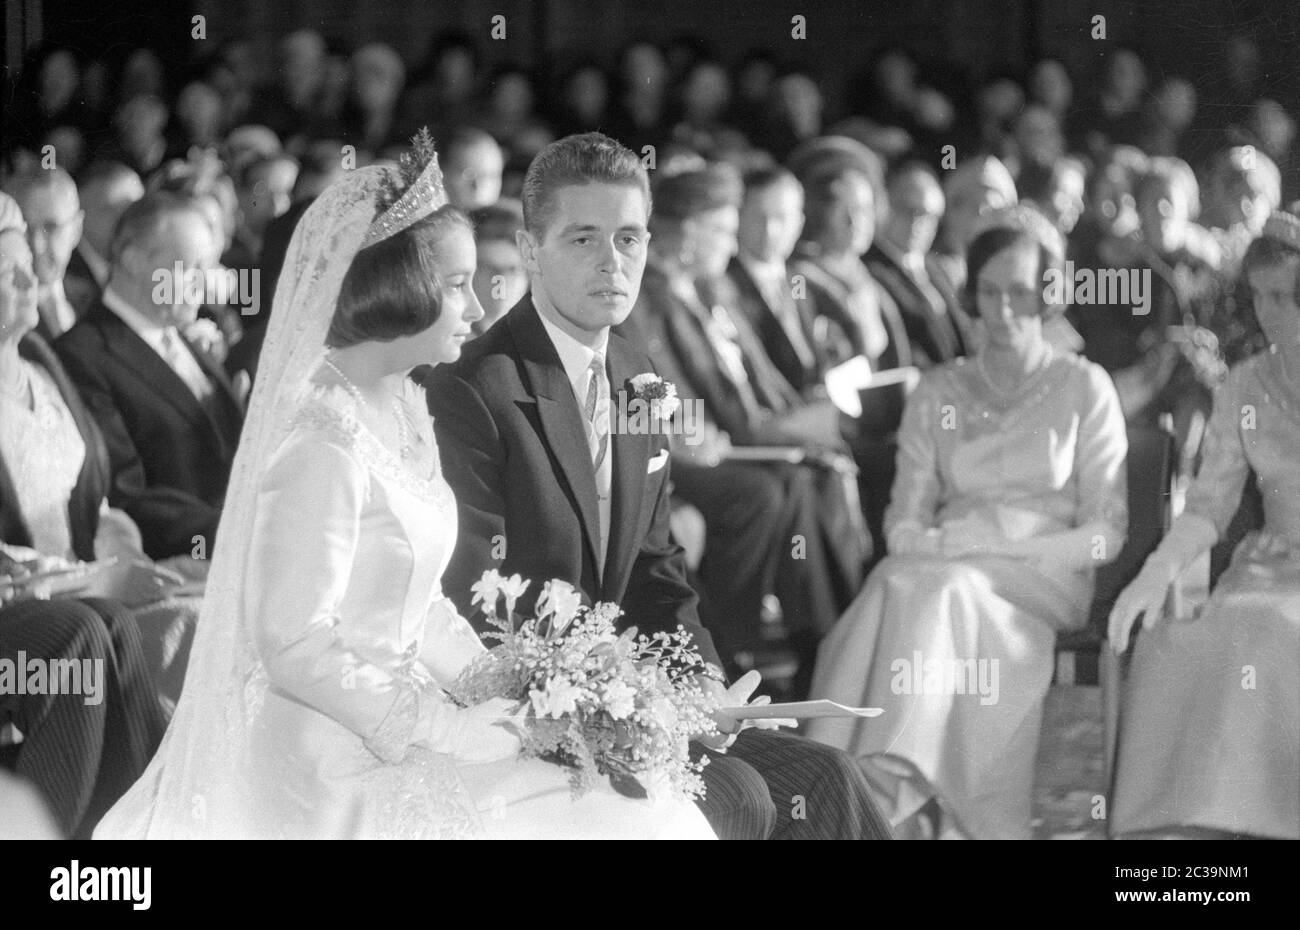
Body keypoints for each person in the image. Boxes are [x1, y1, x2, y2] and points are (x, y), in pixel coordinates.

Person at [95, 141, 714, 839]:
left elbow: (422, 606)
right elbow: (293, 642)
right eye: (457, 285)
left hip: (413, 725)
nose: (478, 308)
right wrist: (443, 727)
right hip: (333, 757)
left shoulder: (401, 410)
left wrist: (513, 687)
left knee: (639, 800)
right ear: (397, 287)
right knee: (618, 817)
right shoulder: (319, 441)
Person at [427, 133, 891, 840]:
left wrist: (703, 684)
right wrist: (618, 699)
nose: (613, 262)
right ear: (529, 252)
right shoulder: (477, 389)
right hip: (520, 719)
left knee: (834, 779)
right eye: (583, 238)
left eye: (629, 238)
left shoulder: (636, 373)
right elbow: (473, 597)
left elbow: (654, 565)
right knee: (740, 797)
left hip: (632, 703)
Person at [807, 212, 1128, 839]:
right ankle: (868, 793)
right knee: (900, 581)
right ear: (970, 294)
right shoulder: (937, 390)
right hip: (942, 566)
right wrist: (942, 545)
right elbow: (901, 523)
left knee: (933, 588)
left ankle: (896, 800)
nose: (1003, 310)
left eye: (1020, 291)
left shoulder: (1085, 386)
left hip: (1044, 575)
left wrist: (996, 545)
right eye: (988, 291)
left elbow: (1105, 533)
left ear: (1047, 292)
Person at [1108, 211, 1300, 839]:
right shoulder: (1245, 384)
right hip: (1269, 566)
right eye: (1260, 296)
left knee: (1270, 629)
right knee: (1189, 640)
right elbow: (1211, 505)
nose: (1270, 314)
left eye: (1287, 296)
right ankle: (1201, 835)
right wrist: (1154, 572)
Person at [56, 193, 246, 560]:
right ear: (133, 260)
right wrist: (234, 531)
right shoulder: (82, 355)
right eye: (191, 267)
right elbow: (124, 491)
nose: (204, 284)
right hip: (185, 560)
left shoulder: (183, 339)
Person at [3, 168, 85, 341]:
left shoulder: (92, 300)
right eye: (25, 228)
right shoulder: (5, 315)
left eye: (50, 228)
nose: (37, 245)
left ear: (76, 230)